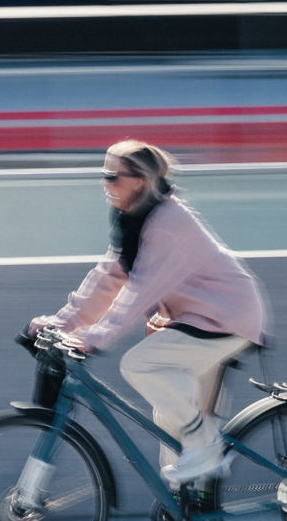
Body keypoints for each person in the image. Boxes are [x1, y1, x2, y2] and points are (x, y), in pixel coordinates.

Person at [29, 140, 268, 485]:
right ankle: (186, 513)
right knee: (170, 410)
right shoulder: (135, 218)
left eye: (112, 176)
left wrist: (95, 337)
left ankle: (207, 446)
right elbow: (109, 278)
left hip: (227, 317)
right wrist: (61, 323)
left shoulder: (167, 223)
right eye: (103, 175)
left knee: (139, 365)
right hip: (196, 319)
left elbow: (140, 290)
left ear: (139, 181)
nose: (105, 183)